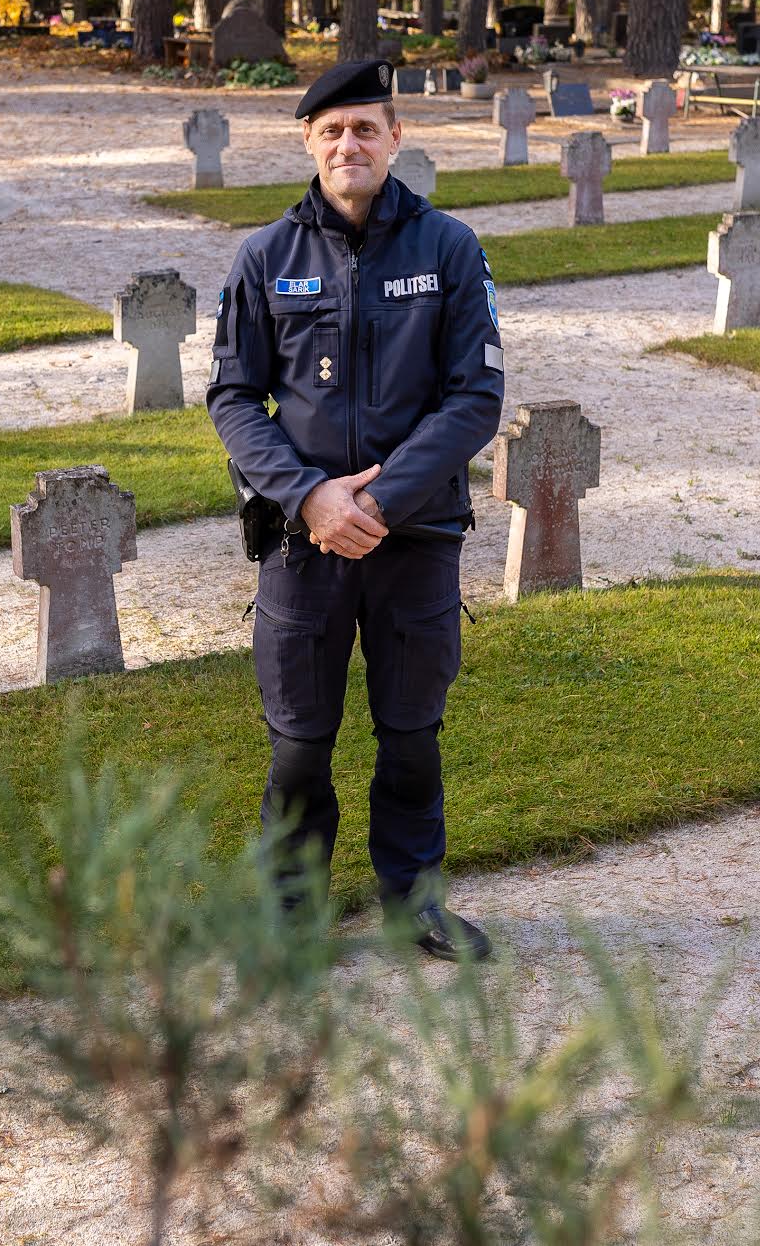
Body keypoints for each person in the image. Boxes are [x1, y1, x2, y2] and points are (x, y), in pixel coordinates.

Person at [206, 57, 505, 962]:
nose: (349, 144)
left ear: (395, 138)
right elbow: (232, 398)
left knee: (410, 737)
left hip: (414, 537)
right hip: (302, 546)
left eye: (365, 128)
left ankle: (414, 906)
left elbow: (474, 397)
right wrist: (310, 498)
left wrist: (373, 500)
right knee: (299, 744)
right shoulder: (265, 257)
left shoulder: (448, 249)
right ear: (308, 141)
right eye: (332, 130)